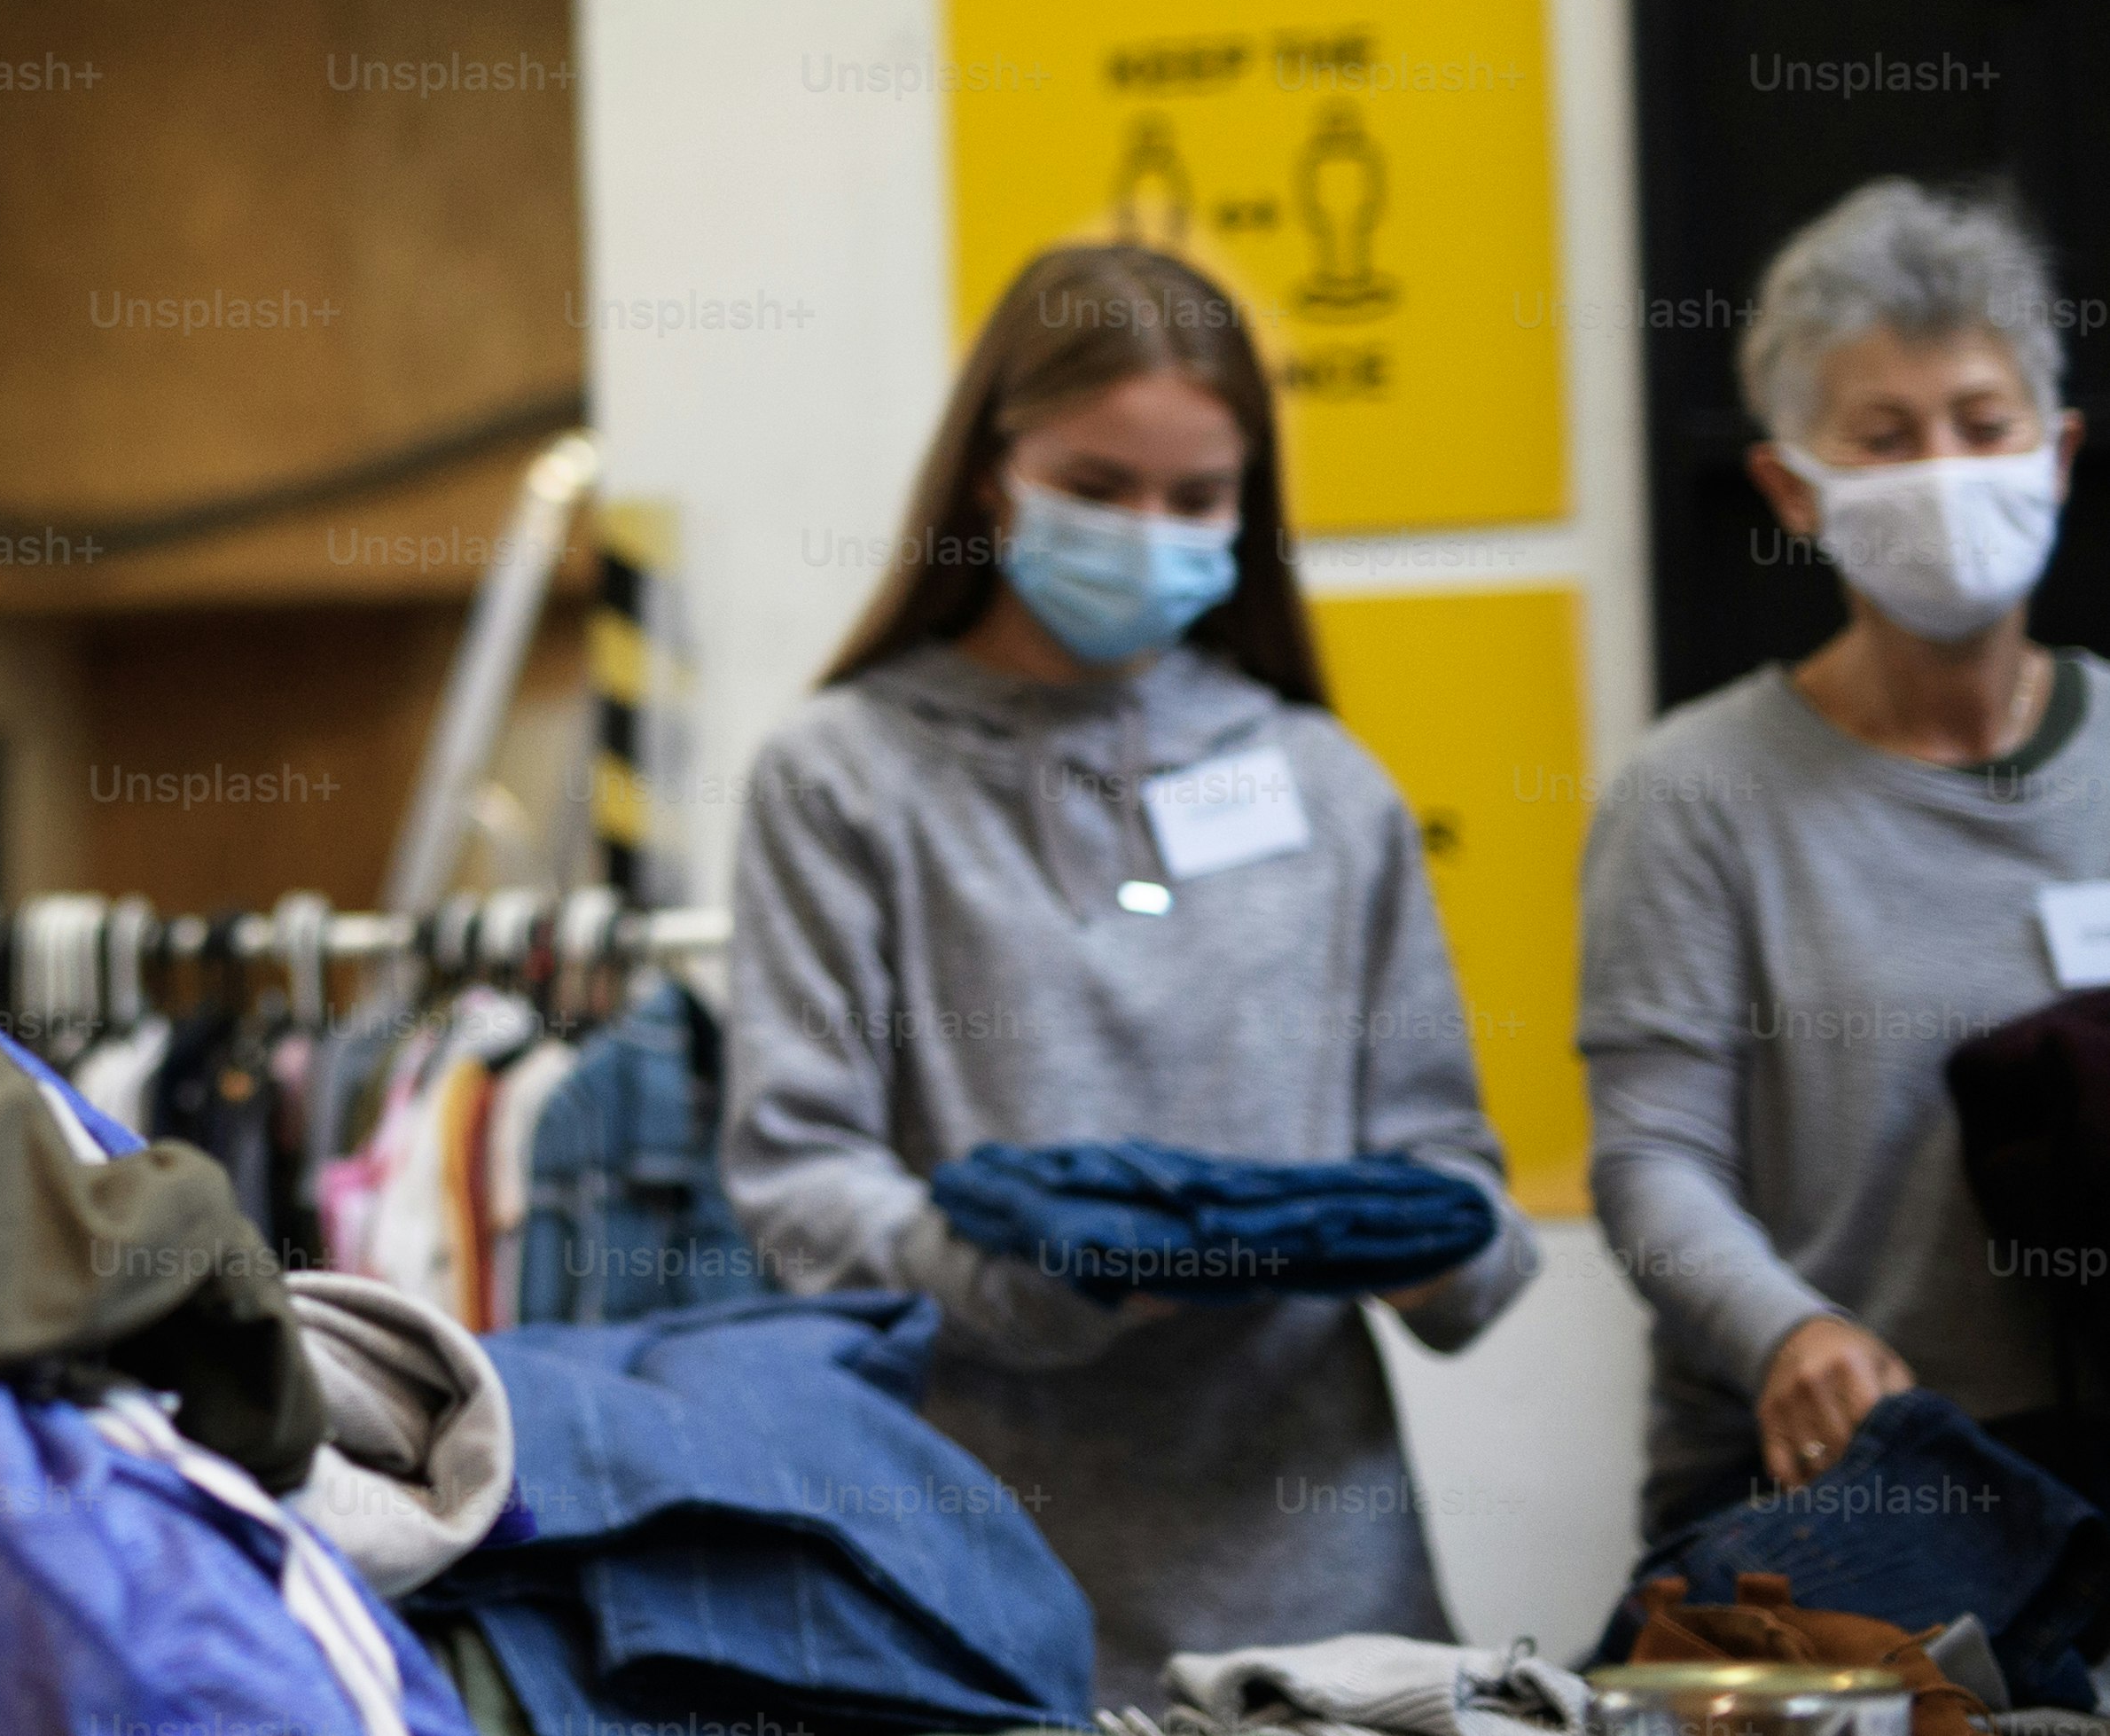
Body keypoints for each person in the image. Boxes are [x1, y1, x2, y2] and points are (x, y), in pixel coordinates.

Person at [723, 240, 1536, 1701]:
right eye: (1097, 490)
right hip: (972, 1580)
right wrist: (1060, 1278)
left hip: (1328, 1595)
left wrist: (1435, 1245)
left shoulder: (1321, 779)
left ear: (1248, 510)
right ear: (990, 471)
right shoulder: (840, 778)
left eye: (1195, 501)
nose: (1146, 532)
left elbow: (1449, 1166)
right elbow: (798, 1182)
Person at [1582, 177, 2109, 1533]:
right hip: (1830, 1494)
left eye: (1979, 426)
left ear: (2052, 454)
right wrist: (1785, 1333)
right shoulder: (1692, 794)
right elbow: (1649, 1159)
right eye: (1883, 437)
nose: (1942, 468)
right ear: (1787, 487)